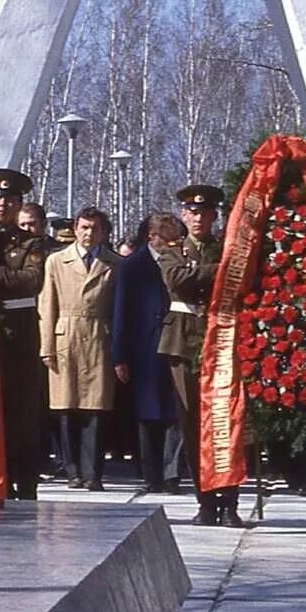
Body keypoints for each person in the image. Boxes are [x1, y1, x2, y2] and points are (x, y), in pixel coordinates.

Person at [159, 183, 242, 527]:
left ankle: (230, 501)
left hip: (221, 340)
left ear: (214, 216)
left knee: (227, 421)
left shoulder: (227, 248)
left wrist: (212, 271)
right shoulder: (172, 250)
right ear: (183, 215)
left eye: (205, 213)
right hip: (183, 343)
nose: (198, 218)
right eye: (192, 212)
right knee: (192, 424)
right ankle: (205, 501)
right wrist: (218, 270)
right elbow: (178, 280)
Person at [0, 169, 50, 500]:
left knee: (24, 410)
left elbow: (32, 280)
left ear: (19, 204)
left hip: (20, 332)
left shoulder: (31, 243)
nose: (1, 204)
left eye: (8, 199)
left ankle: (27, 483)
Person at [39, 206, 117, 489]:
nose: (88, 233)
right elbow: (47, 305)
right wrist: (47, 346)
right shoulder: (56, 261)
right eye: (84, 227)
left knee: (96, 408)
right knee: (66, 407)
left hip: (99, 337)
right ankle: (72, 471)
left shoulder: (114, 263)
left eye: (95, 228)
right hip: (66, 337)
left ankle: (93, 473)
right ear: (75, 229)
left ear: (103, 232)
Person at [113, 211, 184, 494]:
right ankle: (151, 473)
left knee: (175, 411)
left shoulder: (181, 261)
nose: (172, 245)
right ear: (152, 237)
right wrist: (119, 356)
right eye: (167, 240)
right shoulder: (132, 266)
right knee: (149, 413)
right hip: (144, 348)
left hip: (176, 343)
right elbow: (121, 312)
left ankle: (172, 473)